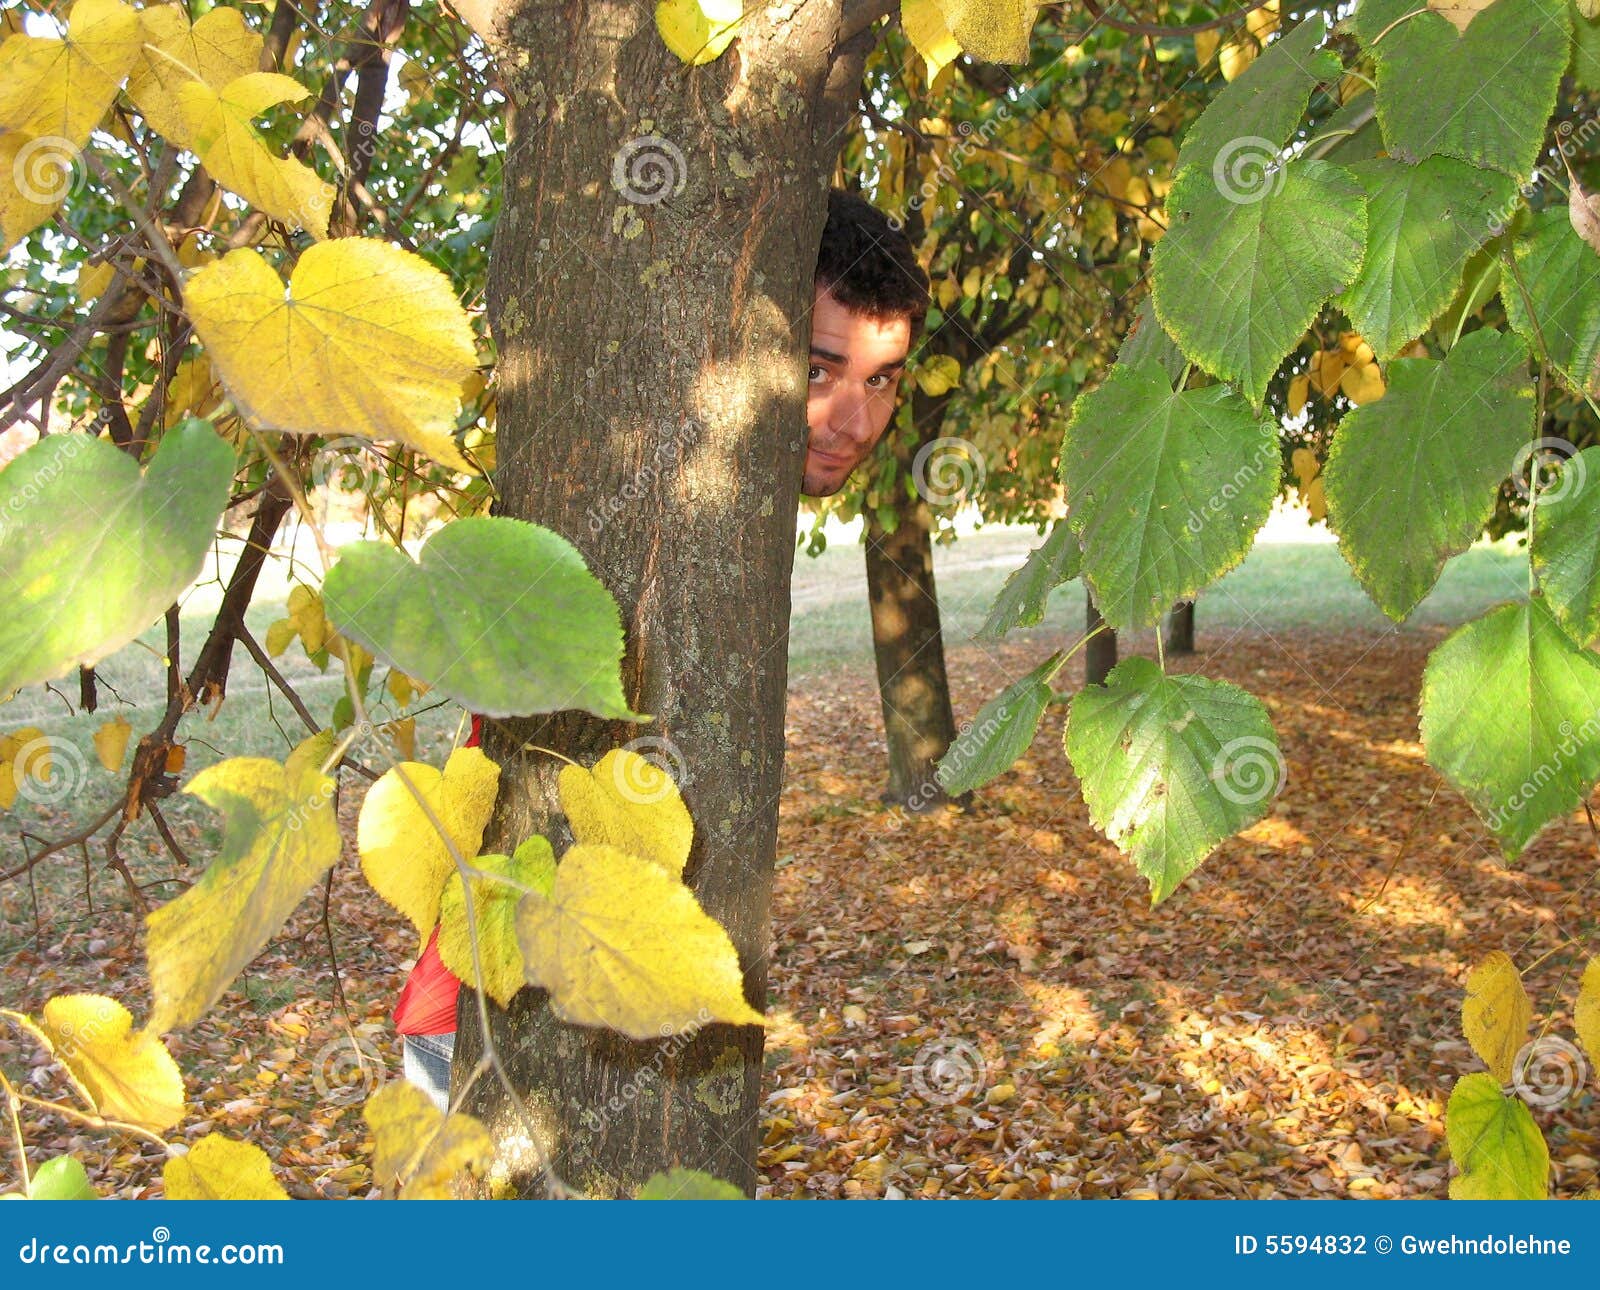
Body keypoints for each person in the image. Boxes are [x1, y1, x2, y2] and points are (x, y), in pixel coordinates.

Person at [395, 188, 931, 1111]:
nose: (855, 421)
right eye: (819, 370)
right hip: (467, 1029)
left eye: (880, 380)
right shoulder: (637, 473)